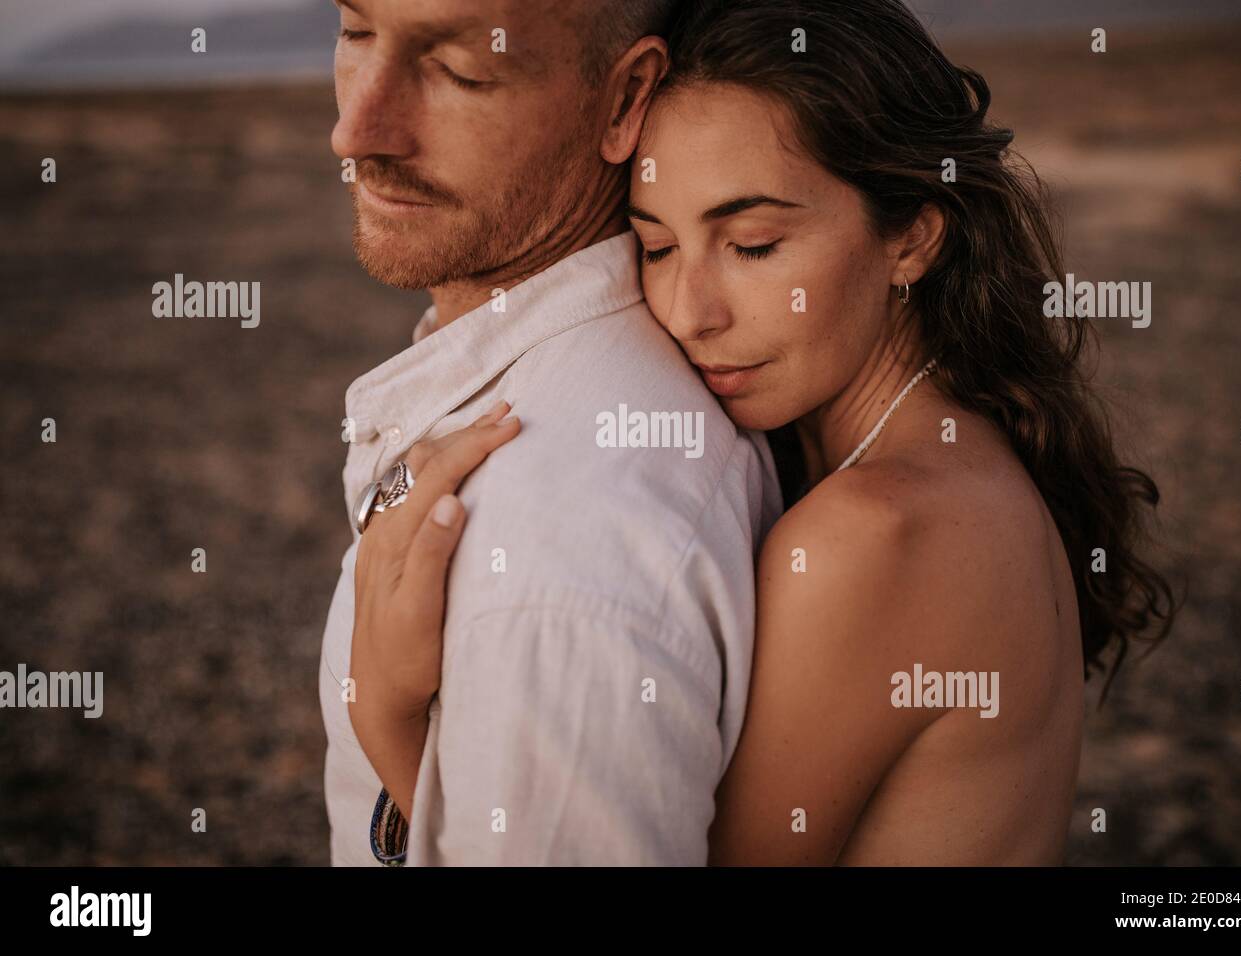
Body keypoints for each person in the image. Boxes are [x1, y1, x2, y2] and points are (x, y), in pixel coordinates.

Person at [349, 0, 1175, 865]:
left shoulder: (875, 535)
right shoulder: (950, 454)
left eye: (752, 245)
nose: (690, 313)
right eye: (658, 248)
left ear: (912, 239)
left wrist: (390, 719)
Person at [318, 0, 782, 867]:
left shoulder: (558, 576)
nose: (355, 130)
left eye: (461, 71)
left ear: (624, 101)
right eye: (355, 33)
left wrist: (387, 731)